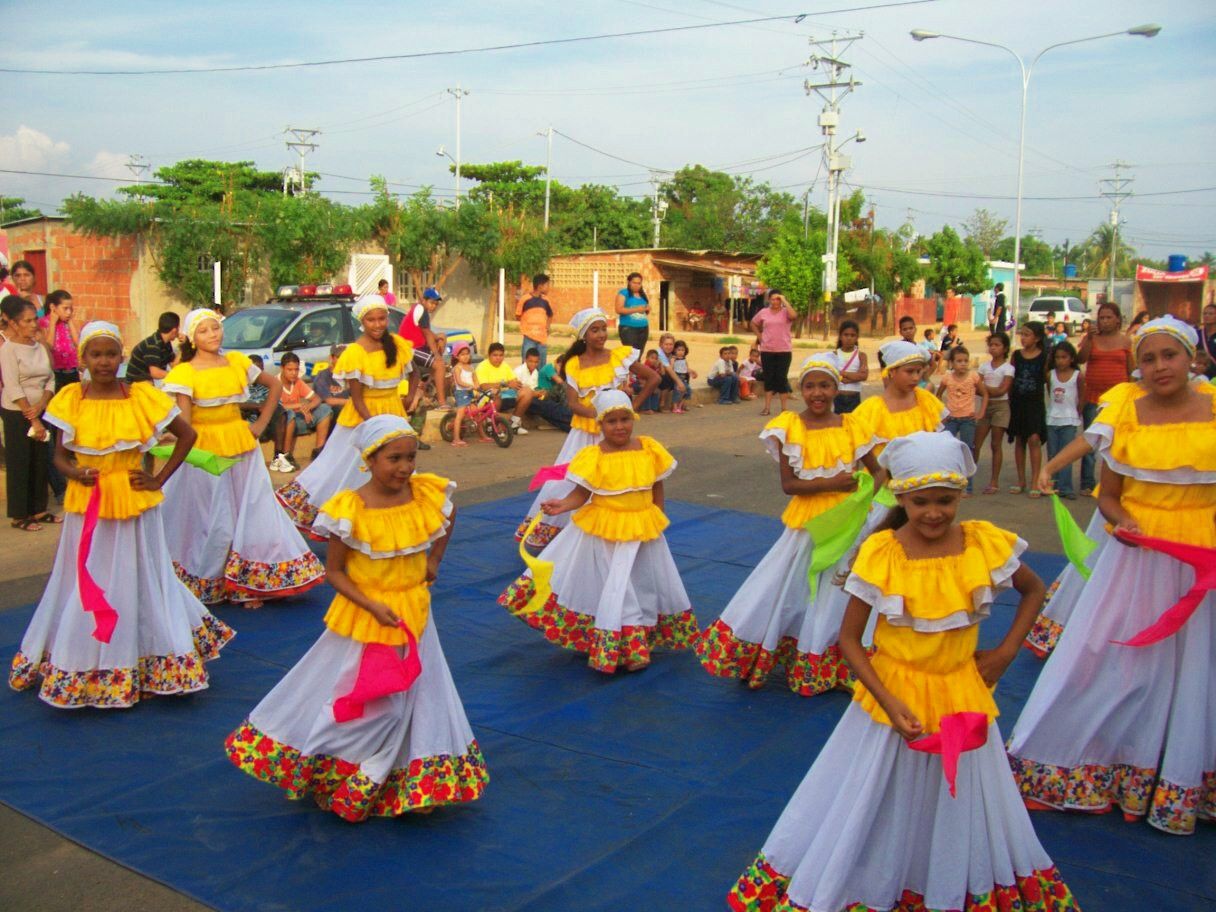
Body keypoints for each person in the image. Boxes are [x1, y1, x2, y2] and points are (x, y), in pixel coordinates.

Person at [728, 432, 1075, 912]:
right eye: (920, 502)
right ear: (901, 498)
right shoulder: (882, 552)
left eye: (945, 501)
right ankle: (873, 879)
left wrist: (1005, 652)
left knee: (958, 797)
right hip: (892, 695)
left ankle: (939, 879)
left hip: (961, 693)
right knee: (876, 789)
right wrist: (888, 702)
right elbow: (850, 640)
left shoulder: (983, 543)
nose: (933, 513)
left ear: (961, 496)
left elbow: (1034, 590)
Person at [1008, 316, 1215, 837]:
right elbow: (1111, 496)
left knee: (1196, 664)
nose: (1160, 366)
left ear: (1192, 358)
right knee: (1113, 654)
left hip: (1202, 554)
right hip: (1140, 556)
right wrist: (1122, 522)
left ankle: (1179, 769)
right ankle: (1094, 757)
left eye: (1170, 355)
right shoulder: (1128, 413)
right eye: (1149, 359)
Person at [225, 415, 487, 820]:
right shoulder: (351, 509)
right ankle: (337, 769)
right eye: (394, 459)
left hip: (415, 612)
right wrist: (372, 606)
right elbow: (335, 572)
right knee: (368, 700)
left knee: (420, 694)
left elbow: (449, 515)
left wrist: (434, 559)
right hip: (368, 619)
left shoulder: (423, 493)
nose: (405, 467)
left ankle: (408, 777)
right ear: (369, 460)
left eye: (410, 457)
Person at [9, 322, 234, 708]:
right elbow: (58, 455)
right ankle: (84, 656)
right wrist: (74, 473)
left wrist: (158, 479)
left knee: (136, 573)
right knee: (89, 575)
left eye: (111, 354)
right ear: (83, 359)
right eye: (96, 355)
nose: (104, 362)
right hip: (88, 503)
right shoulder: (70, 398)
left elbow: (187, 435)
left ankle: (142, 654)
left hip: (132, 500)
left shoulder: (141, 397)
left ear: (121, 356)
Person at [697, 357, 882, 694]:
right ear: (800, 389)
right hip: (809, 523)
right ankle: (764, 649)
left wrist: (866, 498)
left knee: (838, 591)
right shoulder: (790, 427)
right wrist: (831, 484)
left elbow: (878, 470)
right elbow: (790, 485)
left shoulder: (852, 425)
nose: (817, 393)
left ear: (836, 388)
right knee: (789, 585)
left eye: (824, 385)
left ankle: (835, 662)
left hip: (848, 523)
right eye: (809, 386)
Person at [499, 390, 697, 674]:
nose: (620, 426)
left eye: (625, 419)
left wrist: (657, 517)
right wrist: (561, 504)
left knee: (642, 582)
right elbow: (581, 494)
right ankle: (629, 648)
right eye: (611, 421)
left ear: (634, 418)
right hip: (606, 532)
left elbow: (656, 486)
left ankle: (637, 637)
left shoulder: (649, 449)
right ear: (600, 425)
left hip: (643, 529)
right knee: (618, 586)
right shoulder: (594, 456)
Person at [161, 309, 325, 607]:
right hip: (205, 448)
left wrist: (261, 423)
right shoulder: (184, 372)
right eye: (203, 331)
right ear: (192, 338)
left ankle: (246, 579)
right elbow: (184, 419)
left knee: (248, 507)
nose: (212, 335)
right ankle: (211, 575)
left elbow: (274, 385)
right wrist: (169, 437)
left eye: (215, 328)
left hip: (239, 441)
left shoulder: (236, 362)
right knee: (210, 512)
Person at [516, 308, 658, 549]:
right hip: (584, 433)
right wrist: (601, 415)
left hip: (613, 434)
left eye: (603, 329)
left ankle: (605, 531)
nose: (601, 334)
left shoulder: (618, 356)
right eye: (595, 330)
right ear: (584, 335)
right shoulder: (574, 364)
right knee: (571, 478)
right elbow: (573, 403)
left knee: (612, 480)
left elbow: (653, 378)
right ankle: (562, 533)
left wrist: (629, 409)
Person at [276, 295, 414, 536]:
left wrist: (411, 396)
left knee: (396, 468)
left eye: (382, 318)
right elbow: (357, 398)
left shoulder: (397, 345)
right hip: (364, 416)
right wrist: (374, 428)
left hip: (393, 411)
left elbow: (415, 371)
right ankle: (346, 521)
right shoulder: (354, 353)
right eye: (371, 320)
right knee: (345, 467)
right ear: (362, 321)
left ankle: (386, 520)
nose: (378, 324)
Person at [0, 295, 57, 530]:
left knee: (40, 460)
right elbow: (12, 386)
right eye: (28, 321)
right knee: (20, 461)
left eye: (35, 320)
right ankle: (20, 514)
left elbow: (50, 378)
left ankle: (38, 508)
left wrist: (42, 404)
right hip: (18, 413)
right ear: (14, 324)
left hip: (40, 408)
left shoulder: (39, 347)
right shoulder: (8, 350)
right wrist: (33, 418)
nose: (34, 325)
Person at [1076, 300, 1134, 495]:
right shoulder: (1092, 339)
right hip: (1093, 397)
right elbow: (1081, 359)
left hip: (1118, 400)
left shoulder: (1126, 341)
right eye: (1101, 318)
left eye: (1109, 317)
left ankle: (1115, 484)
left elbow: (1132, 370)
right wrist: (1089, 339)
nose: (1105, 321)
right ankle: (1087, 482)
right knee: (1090, 441)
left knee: (1117, 443)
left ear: (1117, 320)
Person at [36, 289, 79, 502]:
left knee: (74, 415)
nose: (69, 312)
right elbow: (49, 346)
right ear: (53, 308)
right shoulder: (44, 323)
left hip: (72, 371)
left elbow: (78, 342)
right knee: (57, 418)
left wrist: (71, 323)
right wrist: (53, 322)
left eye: (71, 308)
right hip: (57, 374)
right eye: (65, 308)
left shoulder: (68, 324)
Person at [936, 345, 987, 494]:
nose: (963, 364)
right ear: (952, 363)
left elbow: (985, 394)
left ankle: (968, 487)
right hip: (951, 419)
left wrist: (980, 413)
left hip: (967, 419)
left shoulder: (973, 377)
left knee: (968, 451)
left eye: (965, 360)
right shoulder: (947, 378)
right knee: (947, 449)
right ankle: (948, 483)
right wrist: (942, 414)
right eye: (959, 361)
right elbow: (938, 396)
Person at [1007, 321, 1049, 497]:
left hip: (1035, 403)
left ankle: (1034, 481)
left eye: (1027, 334)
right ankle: (1021, 480)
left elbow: (1048, 380)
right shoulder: (1016, 355)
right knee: (1019, 439)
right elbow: (1010, 379)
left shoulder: (1045, 356)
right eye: (1022, 334)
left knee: (1034, 439)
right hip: (1017, 402)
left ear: (1037, 338)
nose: (1023, 338)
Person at [275, 352, 333, 470]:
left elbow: (317, 398)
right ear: (282, 368)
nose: (294, 373)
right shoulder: (275, 383)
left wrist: (308, 407)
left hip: (299, 419)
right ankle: (285, 456)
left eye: (296, 370)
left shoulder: (297, 381)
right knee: (288, 414)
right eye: (290, 370)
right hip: (282, 425)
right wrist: (299, 405)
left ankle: (319, 450)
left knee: (325, 409)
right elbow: (276, 407)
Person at [973, 331, 1015, 495]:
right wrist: (987, 390)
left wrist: (984, 389)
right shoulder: (984, 366)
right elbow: (976, 388)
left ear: (1005, 348)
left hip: (1000, 407)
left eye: (997, 345)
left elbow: (1002, 391)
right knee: (976, 444)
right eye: (991, 345)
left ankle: (994, 481)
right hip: (986, 405)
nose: (993, 348)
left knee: (996, 444)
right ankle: (968, 479)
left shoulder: (1008, 368)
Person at [1044, 341, 1084, 499]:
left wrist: (1076, 413)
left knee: (1066, 455)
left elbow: (1082, 397)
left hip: (1069, 420)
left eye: (1064, 357)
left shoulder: (1077, 376)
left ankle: (1066, 488)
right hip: (1052, 419)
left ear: (1071, 358)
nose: (1060, 361)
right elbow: (1050, 393)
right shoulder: (1051, 375)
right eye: (1057, 357)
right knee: (1053, 454)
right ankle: (1052, 485)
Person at [401, 287, 448, 413]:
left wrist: (439, 338)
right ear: (424, 300)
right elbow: (427, 334)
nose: (434, 306)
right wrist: (437, 356)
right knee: (439, 365)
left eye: (436, 304)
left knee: (442, 337)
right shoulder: (421, 310)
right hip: (409, 348)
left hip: (416, 347)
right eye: (432, 303)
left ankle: (423, 386)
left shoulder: (420, 310)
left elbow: (429, 333)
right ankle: (442, 403)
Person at [751, 290, 795, 416]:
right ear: (769, 300)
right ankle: (767, 407)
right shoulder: (764, 312)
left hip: (784, 350)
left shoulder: (786, 312)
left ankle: (784, 408)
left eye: (778, 299)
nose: (775, 301)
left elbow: (794, 316)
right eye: (773, 299)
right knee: (769, 378)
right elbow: (753, 323)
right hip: (767, 350)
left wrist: (784, 300)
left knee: (782, 378)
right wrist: (759, 336)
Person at [474, 342, 533, 436]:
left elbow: (514, 381)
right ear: (489, 355)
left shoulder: (504, 365)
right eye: (495, 355)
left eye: (501, 355)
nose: (498, 358)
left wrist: (516, 384)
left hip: (504, 395)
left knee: (527, 391)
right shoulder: (482, 366)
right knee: (495, 394)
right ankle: (491, 426)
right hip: (487, 399)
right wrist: (506, 384)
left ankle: (514, 424)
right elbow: (484, 386)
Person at [241, 354, 288, 461]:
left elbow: (276, 402)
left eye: (260, 370)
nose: (257, 373)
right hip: (248, 422)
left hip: (266, 421)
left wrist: (265, 407)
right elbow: (235, 404)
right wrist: (257, 406)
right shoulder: (241, 385)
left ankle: (278, 456)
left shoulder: (268, 384)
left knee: (281, 411)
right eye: (255, 370)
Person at [516, 348, 572, 432]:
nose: (533, 364)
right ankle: (572, 418)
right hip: (530, 398)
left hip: (539, 395)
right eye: (531, 361)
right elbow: (519, 391)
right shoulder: (519, 371)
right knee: (551, 406)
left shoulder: (535, 372)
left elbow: (535, 388)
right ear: (525, 360)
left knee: (551, 411)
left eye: (536, 362)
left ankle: (570, 426)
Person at [126, 312, 180, 383]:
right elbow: (155, 373)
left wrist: (184, 346)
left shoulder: (165, 343)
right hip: (135, 384)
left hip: (147, 382)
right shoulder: (153, 345)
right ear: (174, 330)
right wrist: (177, 376)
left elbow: (173, 364)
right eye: (178, 328)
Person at [827, 320, 868, 413]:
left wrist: (842, 374)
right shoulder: (834, 355)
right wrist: (854, 376)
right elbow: (831, 375)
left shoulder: (861, 355)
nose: (849, 338)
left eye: (852, 335)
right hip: (838, 397)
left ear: (857, 337)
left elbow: (863, 376)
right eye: (846, 335)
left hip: (854, 397)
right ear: (840, 336)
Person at [516, 273, 553, 367]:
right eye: (547, 285)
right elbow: (518, 315)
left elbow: (550, 315)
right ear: (540, 287)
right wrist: (528, 324)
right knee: (527, 364)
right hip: (529, 337)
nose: (549, 288)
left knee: (541, 364)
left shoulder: (546, 300)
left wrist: (547, 327)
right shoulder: (525, 299)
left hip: (542, 338)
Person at [614, 272, 650, 351]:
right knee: (631, 354)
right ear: (629, 282)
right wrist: (636, 309)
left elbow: (644, 310)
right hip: (628, 328)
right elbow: (618, 309)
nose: (636, 285)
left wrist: (647, 309)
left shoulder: (642, 294)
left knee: (639, 353)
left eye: (639, 283)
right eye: (634, 283)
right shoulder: (624, 293)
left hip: (644, 328)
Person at [653, 332, 686, 413]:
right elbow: (669, 369)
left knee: (683, 376)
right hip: (654, 378)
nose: (669, 347)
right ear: (661, 345)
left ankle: (680, 404)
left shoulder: (671, 354)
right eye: (666, 344)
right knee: (668, 378)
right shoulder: (659, 353)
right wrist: (679, 382)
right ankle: (662, 403)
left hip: (662, 377)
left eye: (671, 344)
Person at [671, 339, 695, 411]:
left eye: (682, 350)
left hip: (684, 378)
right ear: (675, 350)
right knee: (677, 392)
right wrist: (673, 360)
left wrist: (692, 372)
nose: (681, 352)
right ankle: (675, 407)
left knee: (688, 391)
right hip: (677, 377)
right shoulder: (673, 359)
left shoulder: (684, 359)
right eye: (679, 350)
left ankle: (680, 405)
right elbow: (671, 368)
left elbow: (687, 369)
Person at [1197, 302, 1216, 379]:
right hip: (1199, 375)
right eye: (1205, 314)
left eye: (1211, 314)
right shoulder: (1197, 334)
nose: (1207, 316)